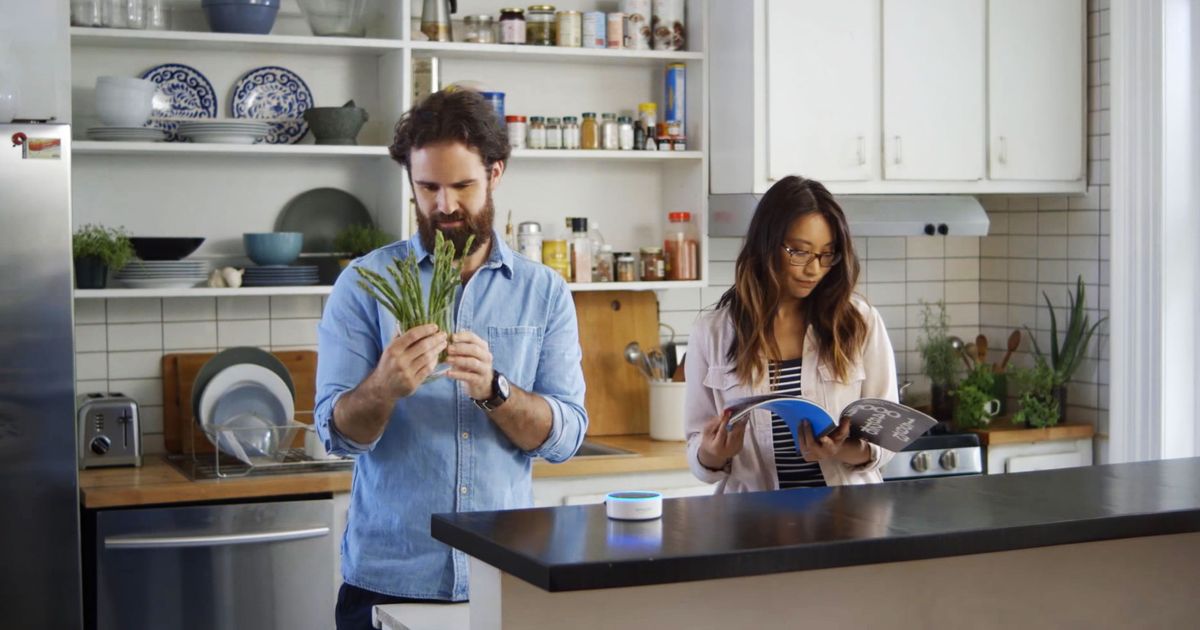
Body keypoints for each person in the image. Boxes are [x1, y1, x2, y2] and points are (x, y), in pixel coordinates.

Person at [314, 89, 588, 629]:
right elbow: (338, 436)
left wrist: (495, 391)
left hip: (504, 578)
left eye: (462, 186)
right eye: (428, 187)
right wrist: (383, 387)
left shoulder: (544, 292)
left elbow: (565, 438)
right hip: (389, 579)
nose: (444, 206)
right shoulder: (363, 283)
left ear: (495, 173)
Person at [685, 175, 897, 492]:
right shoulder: (712, 333)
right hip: (752, 516)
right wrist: (712, 452)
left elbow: (885, 442)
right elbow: (698, 452)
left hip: (847, 514)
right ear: (766, 244)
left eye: (827, 254)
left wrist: (839, 448)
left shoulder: (860, 322)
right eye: (799, 252)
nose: (814, 269)